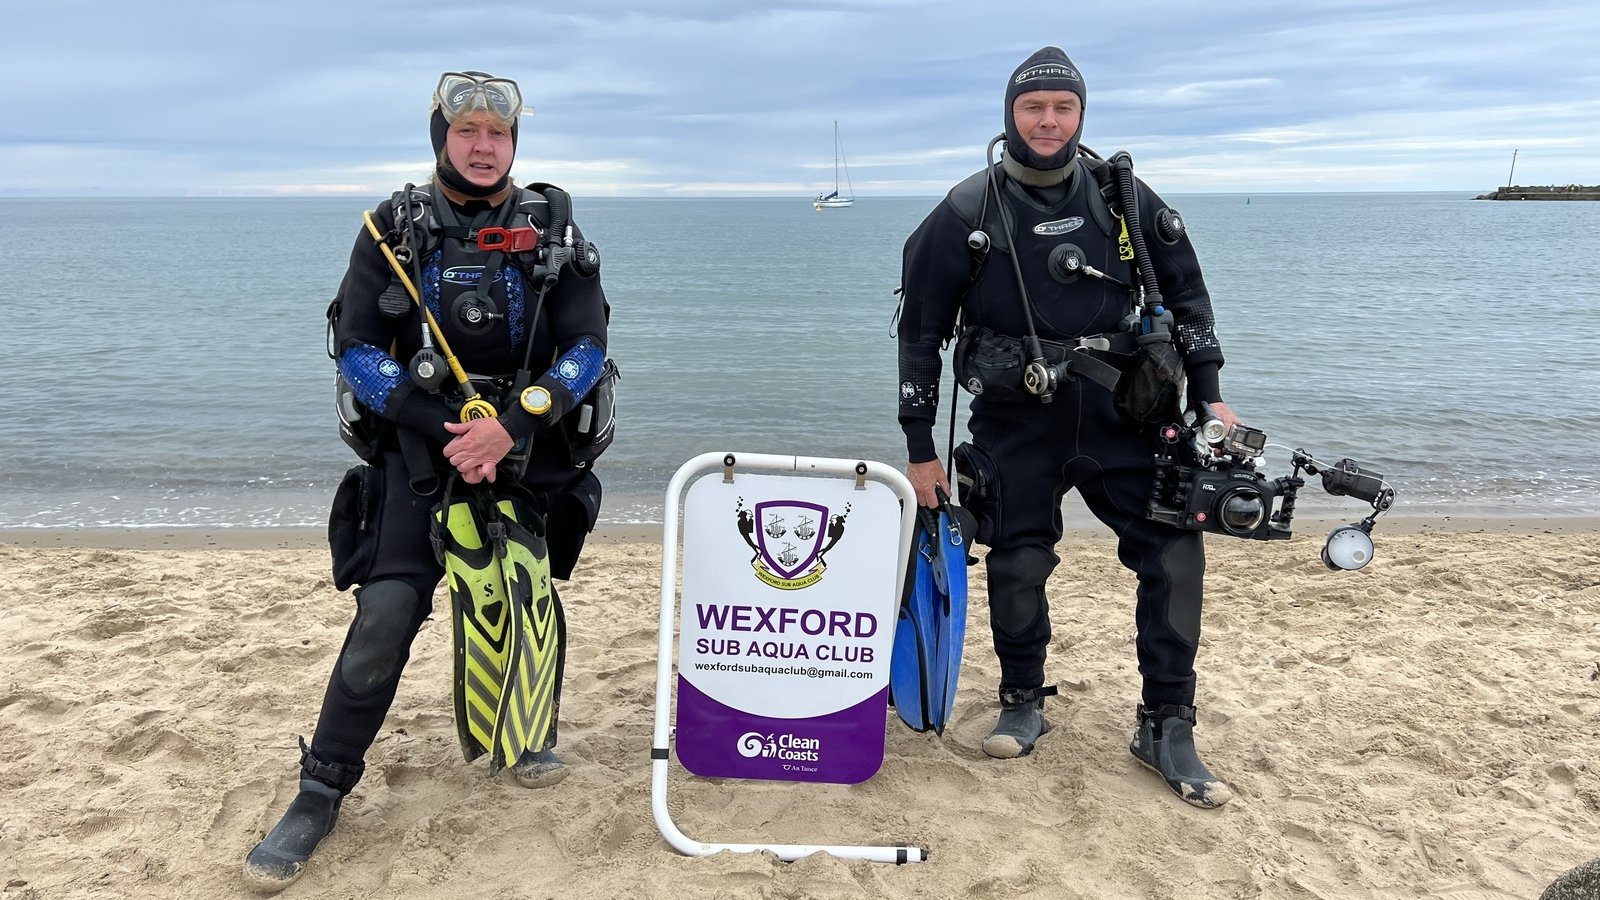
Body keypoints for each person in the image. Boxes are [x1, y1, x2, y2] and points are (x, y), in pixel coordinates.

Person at [243, 70, 611, 891]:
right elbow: (357, 351)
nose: (484, 147)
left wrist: (512, 425)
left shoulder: (556, 228)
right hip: (420, 453)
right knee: (384, 618)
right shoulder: (391, 229)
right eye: (467, 131)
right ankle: (320, 789)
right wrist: (443, 427)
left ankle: (524, 733)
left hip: (524, 450)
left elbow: (586, 349)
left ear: (516, 143)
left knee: (525, 594)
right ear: (440, 136)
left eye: (499, 134)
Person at [895, 47, 1238, 808]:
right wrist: (919, 449)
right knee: (1016, 563)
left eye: (1063, 107)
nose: (1048, 121)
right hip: (1018, 421)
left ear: (1081, 114)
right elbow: (918, 333)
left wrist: (1210, 397)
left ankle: (1166, 725)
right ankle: (1023, 699)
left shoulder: (1126, 199)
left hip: (1127, 415)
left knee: (1176, 553)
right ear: (1009, 114)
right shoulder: (965, 214)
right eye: (1032, 107)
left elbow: (1189, 300)